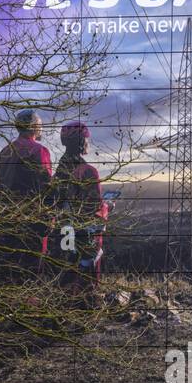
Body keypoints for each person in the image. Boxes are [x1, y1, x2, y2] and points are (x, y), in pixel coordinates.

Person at [0, 109, 53, 282]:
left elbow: (3, 185)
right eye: (40, 125)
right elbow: (46, 186)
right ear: (33, 126)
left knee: (13, 266)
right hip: (33, 218)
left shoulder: (6, 150)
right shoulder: (39, 151)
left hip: (9, 216)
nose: (41, 129)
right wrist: (49, 216)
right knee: (33, 268)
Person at [49, 121, 108, 284]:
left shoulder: (58, 174)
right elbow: (94, 209)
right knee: (85, 282)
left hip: (62, 234)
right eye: (87, 139)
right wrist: (106, 207)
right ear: (82, 142)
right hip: (83, 237)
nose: (88, 142)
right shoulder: (89, 171)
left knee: (65, 280)